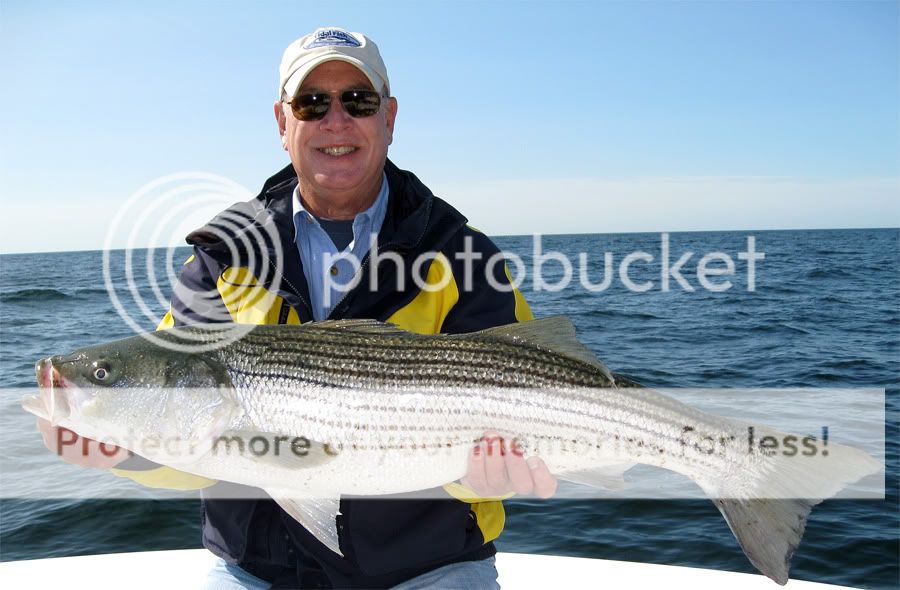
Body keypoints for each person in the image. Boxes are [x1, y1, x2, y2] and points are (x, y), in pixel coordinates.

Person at [37, 27, 556, 588]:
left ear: (390, 117)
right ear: (283, 124)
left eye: (358, 101)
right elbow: (190, 439)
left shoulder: (462, 251)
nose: (336, 122)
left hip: (431, 566)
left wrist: (490, 475)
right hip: (253, 569)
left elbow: (519, 386)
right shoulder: (222, 254)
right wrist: (119, 452)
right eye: (312, 104)